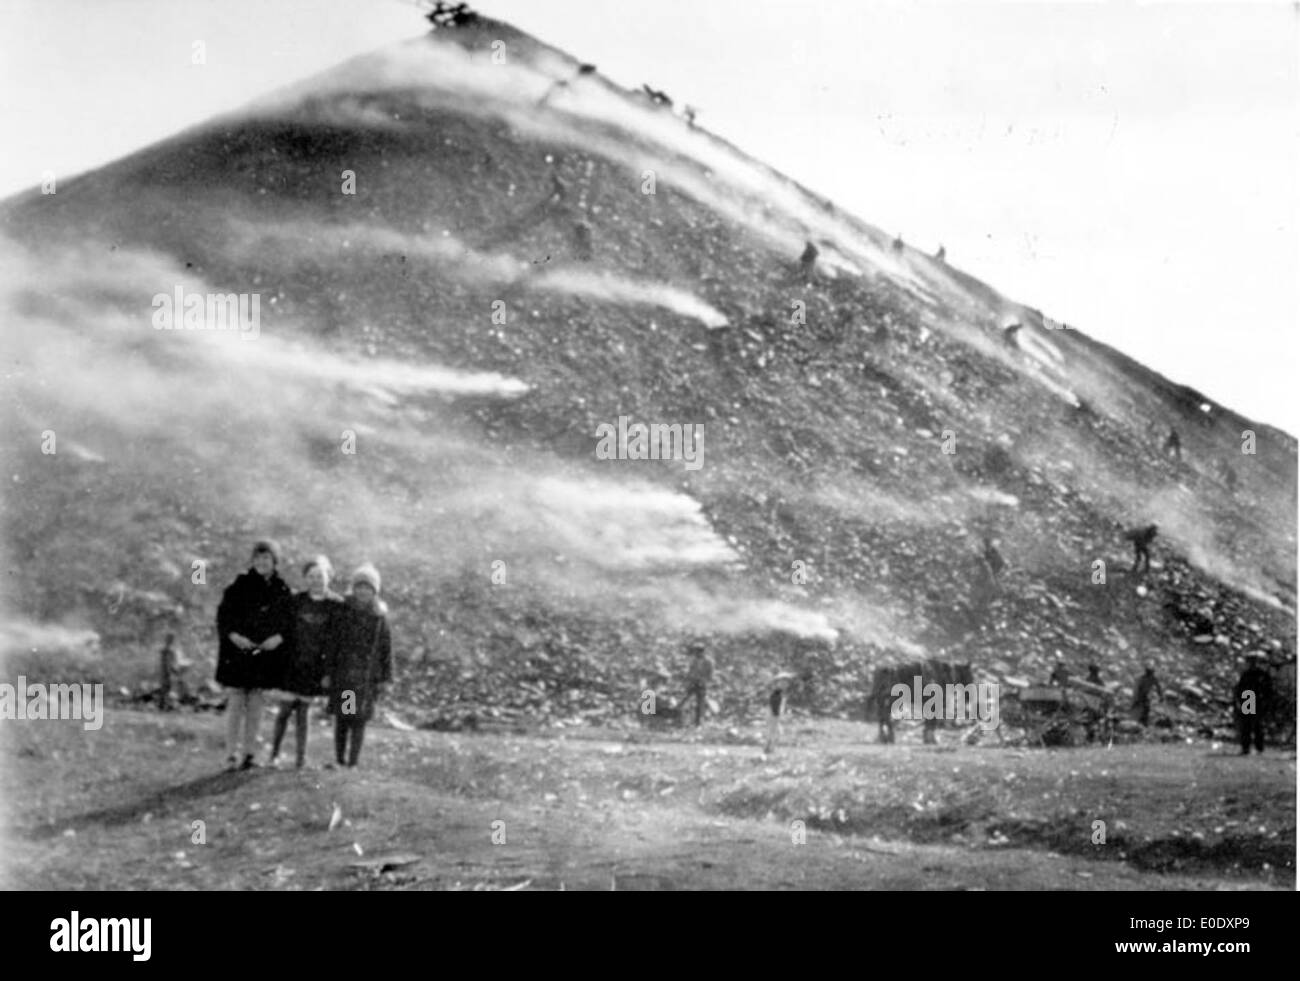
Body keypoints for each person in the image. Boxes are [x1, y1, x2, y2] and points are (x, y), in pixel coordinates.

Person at [216, 540, 292, 771]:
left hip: (265, 654)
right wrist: (233, 636)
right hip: (239, 652)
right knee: (237, 701)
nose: (261, 562)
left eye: (266, 558)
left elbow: (289, 622)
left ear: (274, 562)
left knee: (257, 703)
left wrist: (278, 638)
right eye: (258, 558)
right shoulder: (239, 585)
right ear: (252, 561)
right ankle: (231, 755)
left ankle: (249, 754)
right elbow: (224, 617)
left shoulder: (282, 589)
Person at [269, 556, 342, 769]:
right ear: (305, 578)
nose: (316, 580)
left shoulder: (335, 605)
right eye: (311, 576)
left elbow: (336, 639)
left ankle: (300, 759)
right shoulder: (296, 601)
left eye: (320, 576)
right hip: (293, 663)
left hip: (315, 666)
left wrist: (329, 671)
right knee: (284, 710)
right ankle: (274, 754)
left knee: (303, 713)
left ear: (328, 577)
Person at [326, 563, 392, 768]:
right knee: (344, 717)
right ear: (353, 589)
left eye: (368, 587)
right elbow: (333, 643)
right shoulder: (343, 611)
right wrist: (328, 671)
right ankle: (340, 759)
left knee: (359, 720)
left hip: (367, 678)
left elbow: (386, 649)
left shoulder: (379, 617)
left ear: (375, 591)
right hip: (346, 676)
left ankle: (353, 762)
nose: (363, 591)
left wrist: (385, 678)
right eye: (359, 586)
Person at [1234, 653, 1272, 756]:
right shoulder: (1247, 674)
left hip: (1257, 700)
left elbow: (1268, 690)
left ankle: (1258, 747)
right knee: (1247, 725)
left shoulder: (1262, 675)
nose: (1252, 664)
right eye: (1250, 662)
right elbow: (1240, 688)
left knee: (1257, 725)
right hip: (1248, 699)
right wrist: (1239, 700)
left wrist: (1266, 701)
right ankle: (1246, 747)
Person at [682, 640, 714, 726]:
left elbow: (710, 674)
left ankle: (698, 722)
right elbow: (690, 671)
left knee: (700, 703)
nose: (695, 653)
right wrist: (688, 680)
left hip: (702, 684)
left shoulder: (709, 661)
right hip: (693, 682)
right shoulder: (694, 660)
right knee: (687, 700)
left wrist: (704, 681)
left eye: (697, 651)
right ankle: (686, 720)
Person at [157, 632, 190, 710]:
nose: (172, 641)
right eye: (171, 639)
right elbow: (169, 663)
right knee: (166, 687)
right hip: (166, 671)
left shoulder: (166, 650)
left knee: (165, 687)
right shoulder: (168, 651)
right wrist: (174, 670)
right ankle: (164, 705)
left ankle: (162, 704)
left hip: (165, 671)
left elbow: (170, 662)